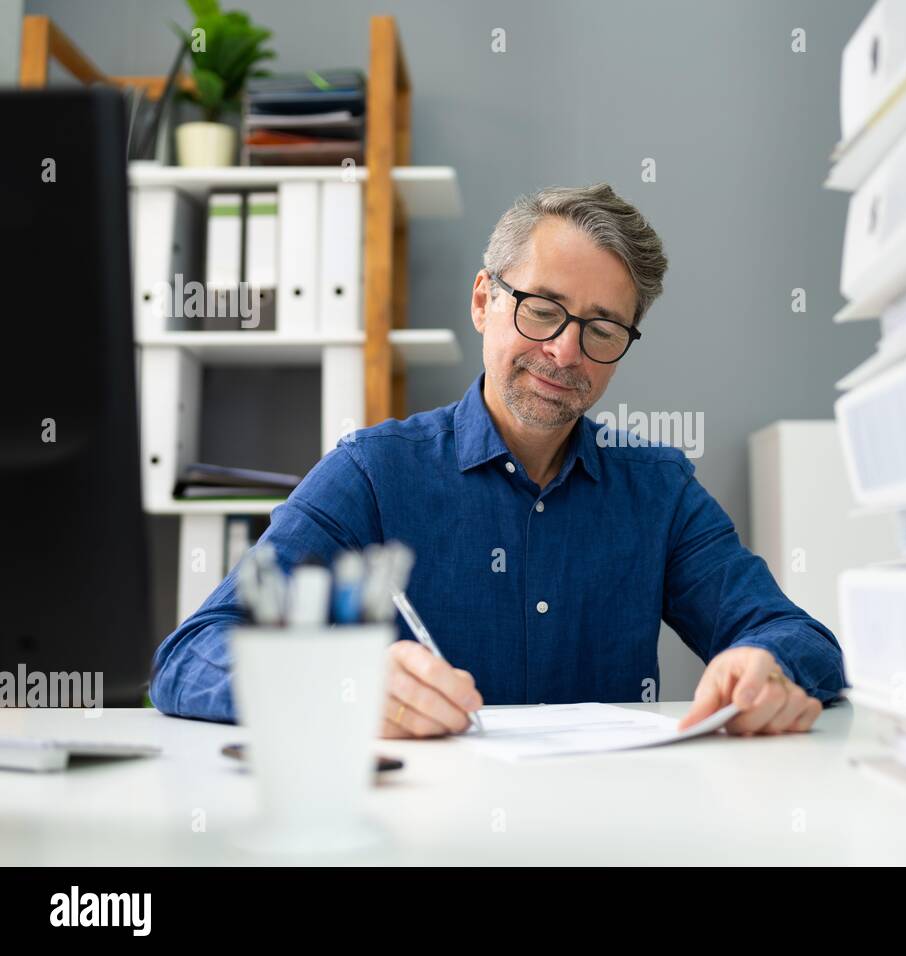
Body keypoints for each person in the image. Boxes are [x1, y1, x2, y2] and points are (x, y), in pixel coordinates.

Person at [151, 183, 846, 737]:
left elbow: (799, 638)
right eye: (542, 309)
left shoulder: (658, 490)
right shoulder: (373, 473)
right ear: (484, 301)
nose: (565, 352)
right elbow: (190, 656)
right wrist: (342, 687)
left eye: (603, 328)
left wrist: (767, 666)